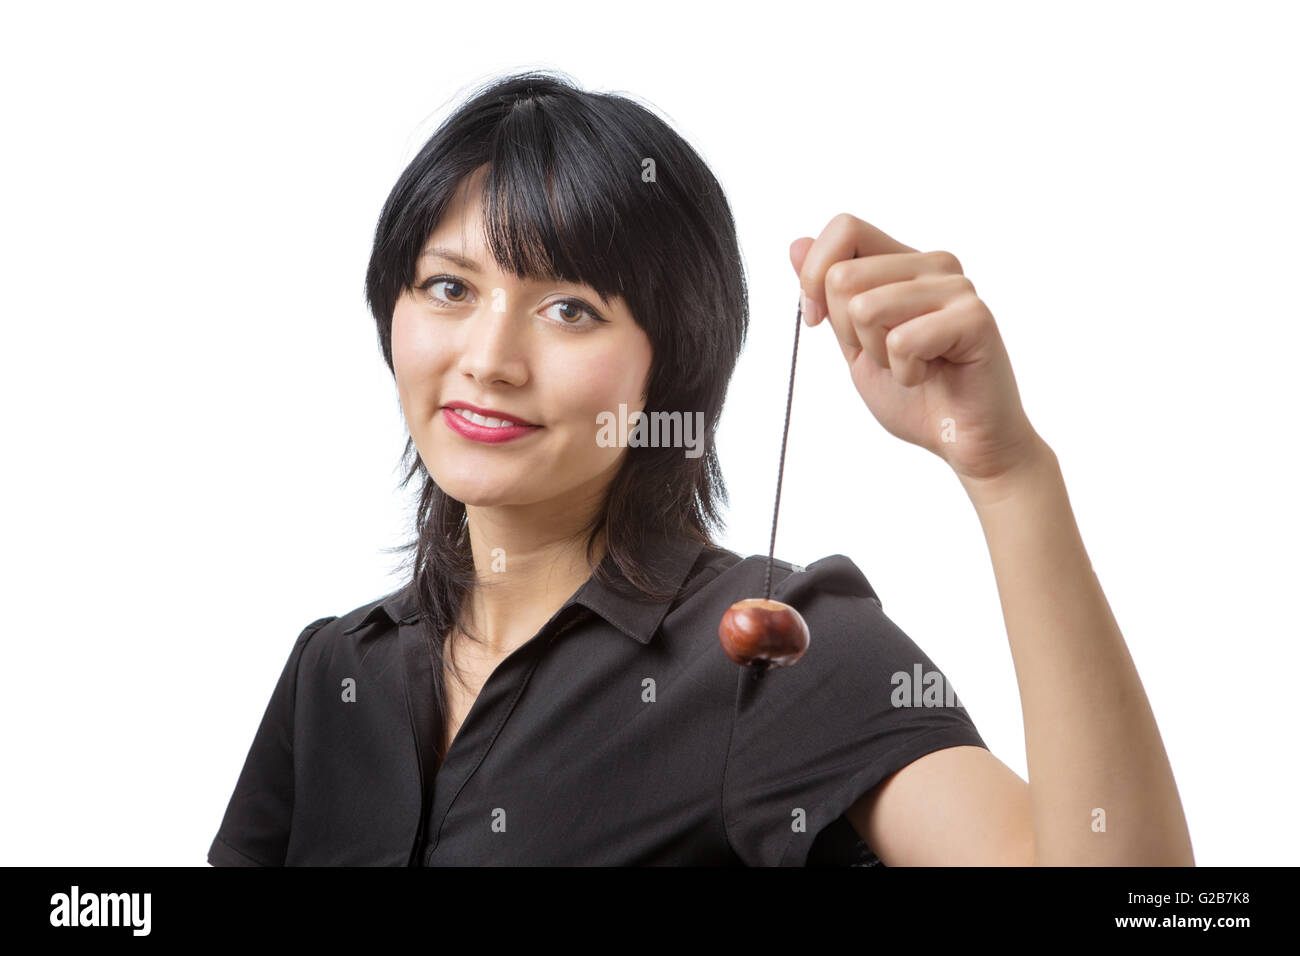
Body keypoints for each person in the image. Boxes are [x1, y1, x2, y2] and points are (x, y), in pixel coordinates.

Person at [208, 69, 1194, 867]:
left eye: (570, 309)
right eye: (448, 285)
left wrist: (1007, 473)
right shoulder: (336, 670)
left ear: (670, 363)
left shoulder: (766, 655)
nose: (489, 357)